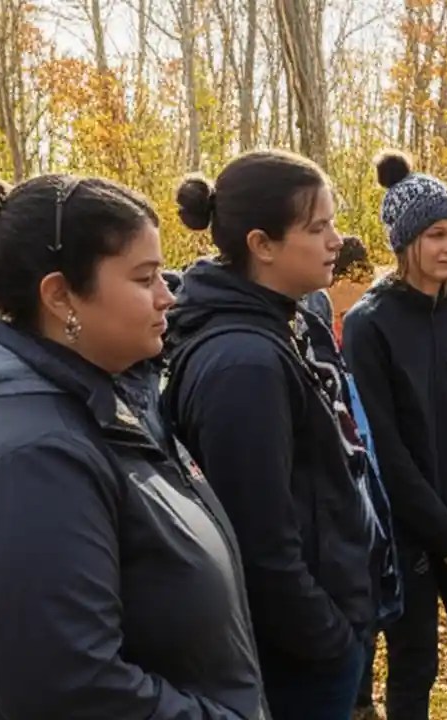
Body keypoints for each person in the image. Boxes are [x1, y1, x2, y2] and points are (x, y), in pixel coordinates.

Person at [0, 175, 264, 717]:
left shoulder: (114, 397)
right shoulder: (38, 458)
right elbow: (71, 691)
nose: (168, 295)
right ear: (60, 296)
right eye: (144, 277)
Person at [161, 150, 378, 719]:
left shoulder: (280, 324)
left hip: (312, 640)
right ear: (262, 244)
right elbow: (258, 543)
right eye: (318, 227)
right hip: (293, 661)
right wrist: (330, 641)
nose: (337, 240)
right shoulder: (243, 364)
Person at [341, 151, 447, 720]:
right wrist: (445, 536)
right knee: (415, 667)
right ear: (406, 241)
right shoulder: (369, 324)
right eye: (437, 233)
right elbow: (383, 448)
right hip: (408, 533)